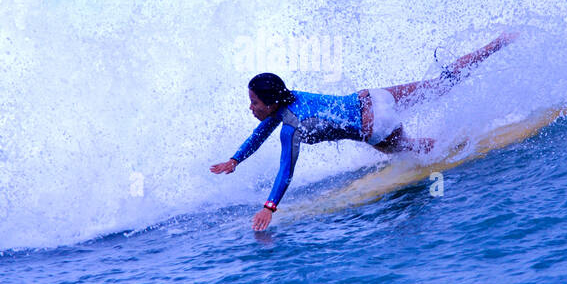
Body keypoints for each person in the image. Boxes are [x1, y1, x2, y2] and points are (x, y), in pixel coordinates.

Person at [211, 32, 517, 231]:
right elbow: (262, 131)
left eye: (254, 102)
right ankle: (496, 44)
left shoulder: (290, 128)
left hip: (375, 127)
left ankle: (464, 143)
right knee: (439, 86)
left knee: (415, 149)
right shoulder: (292, 97)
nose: (251, 108)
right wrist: (235, 160)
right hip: (372, 98)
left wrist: (269, 208)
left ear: (270, 102)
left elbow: (286, 171)